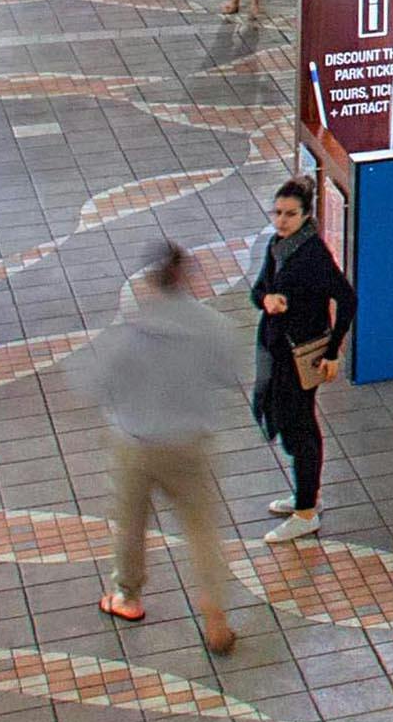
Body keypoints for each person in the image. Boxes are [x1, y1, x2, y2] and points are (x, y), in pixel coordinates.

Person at [76, 242, 254, 650]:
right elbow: (232, 373)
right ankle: (214, 606)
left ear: (149, 283)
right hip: (190, 444)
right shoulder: (213, 326)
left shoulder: (130, 332)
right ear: (187, 279)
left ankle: (128, 596)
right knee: (202, 529)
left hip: (134, 444)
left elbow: (91, 383)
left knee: (131, 522)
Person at [248, 174, 352, 529]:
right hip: (277, 350)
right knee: (290, 422)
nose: (281, 221)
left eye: (290, 214)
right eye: (277, 213)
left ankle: (306, 511)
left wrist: (334, 351)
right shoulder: (277, 247)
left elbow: (347, 298)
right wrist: (267, 299)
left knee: (300, 427)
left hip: (302, 353)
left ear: (307, 215)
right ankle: (306, 495)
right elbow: (257, 289)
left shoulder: (313, 255)